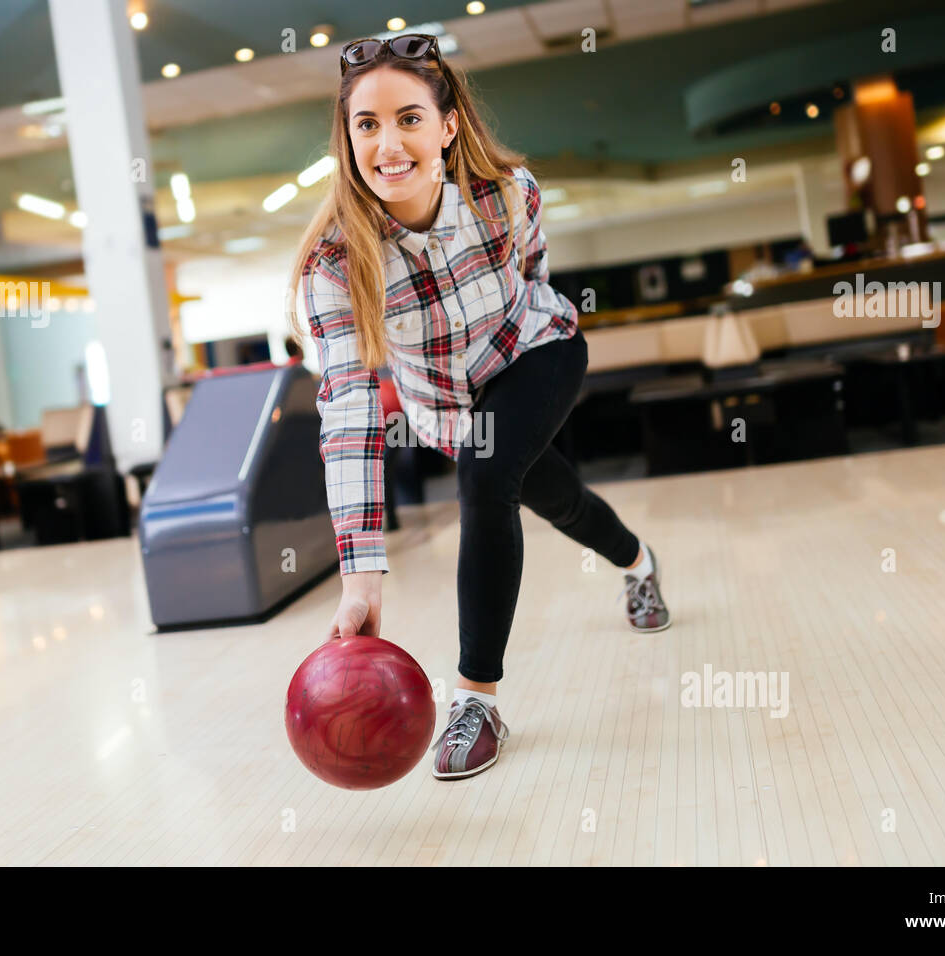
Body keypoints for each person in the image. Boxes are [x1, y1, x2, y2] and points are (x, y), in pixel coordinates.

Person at [286, 33, 670, 781]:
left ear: (448, 125)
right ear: (348, 138)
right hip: (451, 410)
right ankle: (640, 561)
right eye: (367, 124)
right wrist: (360, 573)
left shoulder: (508, 193)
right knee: (551, 495)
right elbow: (352, 407)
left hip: (535, 350)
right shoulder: (333, 263)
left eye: (408, 118)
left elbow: (532, 276)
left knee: (488, 479)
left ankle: (476, 700)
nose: (388, 143)